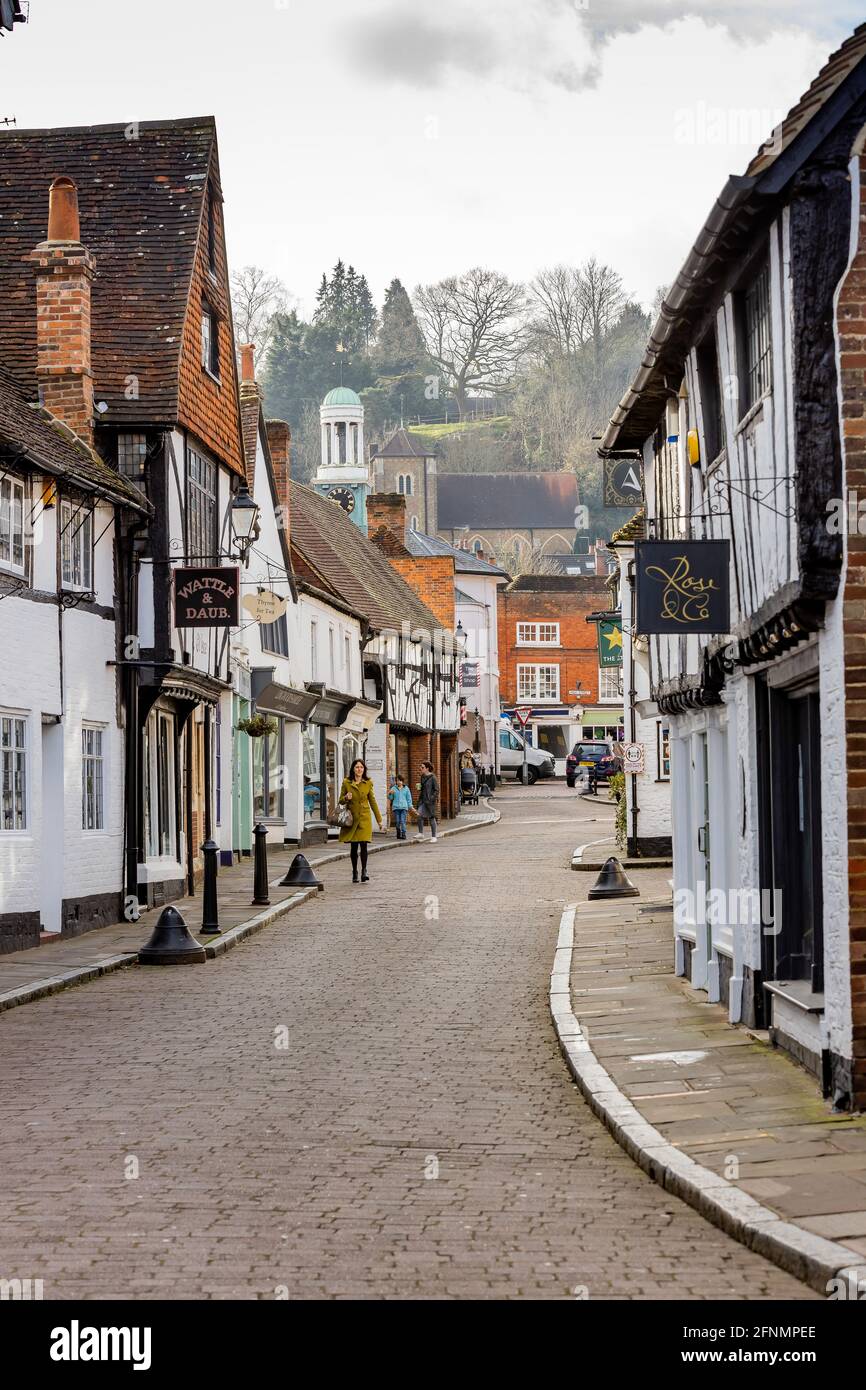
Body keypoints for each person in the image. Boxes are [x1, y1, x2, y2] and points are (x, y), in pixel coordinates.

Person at [338, 758, 382, 882]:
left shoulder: (368, 783)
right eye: (357, 767)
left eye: (361, 767)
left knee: (364, 845)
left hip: (364, 818)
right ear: (353, 769)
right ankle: (354, 872)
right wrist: (346, 797)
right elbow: (340, 800)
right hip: (352, 819)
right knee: (353, 847)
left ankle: (364, 871)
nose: (359, 769)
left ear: (364, 769)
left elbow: (372, 801)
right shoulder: (347, 782)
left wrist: (379, 820)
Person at [415, 759, 440, 843]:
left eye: (422, 767)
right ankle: (421, 833)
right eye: (421, 767)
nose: (420, 769)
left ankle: (434, 836)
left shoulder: (433, 777)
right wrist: (420, 788)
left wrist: (432, 798)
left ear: (427, 768)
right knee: (419, 814)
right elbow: (423, 788)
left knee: (431, 817)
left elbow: (437, 790)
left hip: (430, 801)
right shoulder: (422, 777)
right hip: (422, 799)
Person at [388, 775, 413, 841]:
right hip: (396, 808)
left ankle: (403, 834)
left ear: (403, 781)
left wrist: (410, 807)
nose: (399, 782)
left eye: (400, 780)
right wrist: (390, 794)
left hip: (404, 807)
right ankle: (398, 833)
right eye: (397, 781)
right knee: (398, 821)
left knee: (402, 821)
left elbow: (409, 798)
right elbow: (390, 798)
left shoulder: (406, 788)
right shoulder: (393, 788)